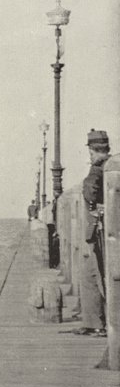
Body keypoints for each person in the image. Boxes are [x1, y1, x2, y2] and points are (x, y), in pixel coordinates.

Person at [76, 129, 110, 337]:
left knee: (98, 274)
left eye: (91, 150)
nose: (90, 155)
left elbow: (90, 192)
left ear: (95, 150)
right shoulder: (105, 168)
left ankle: (97, 323)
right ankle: (94, 322)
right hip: (98, 227)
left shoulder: (98, 170)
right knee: (92, 273)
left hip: (99, 229)